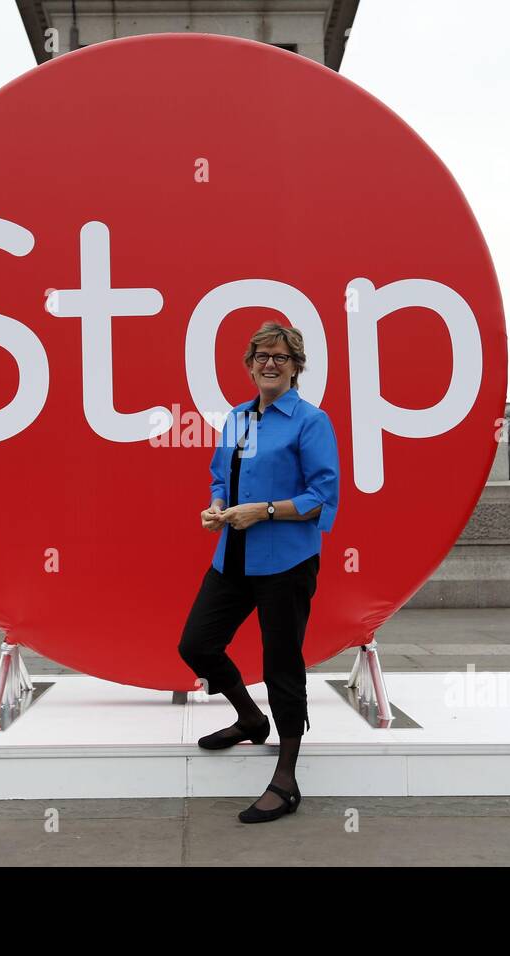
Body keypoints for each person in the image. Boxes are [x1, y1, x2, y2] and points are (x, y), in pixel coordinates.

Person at [177, 320, 339, 824]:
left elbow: (322, 497)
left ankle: (287, 778)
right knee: (197, 644)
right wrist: (216, 505)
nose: (270, 364)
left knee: (281, 664)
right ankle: (250, 717)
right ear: (250, 365)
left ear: (296, 368)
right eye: (261, 357)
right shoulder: (238, 417)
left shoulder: (311, 422)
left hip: (286, 561)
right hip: (234, 555)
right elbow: (219, 473)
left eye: (281, 357)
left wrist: (264, 510)